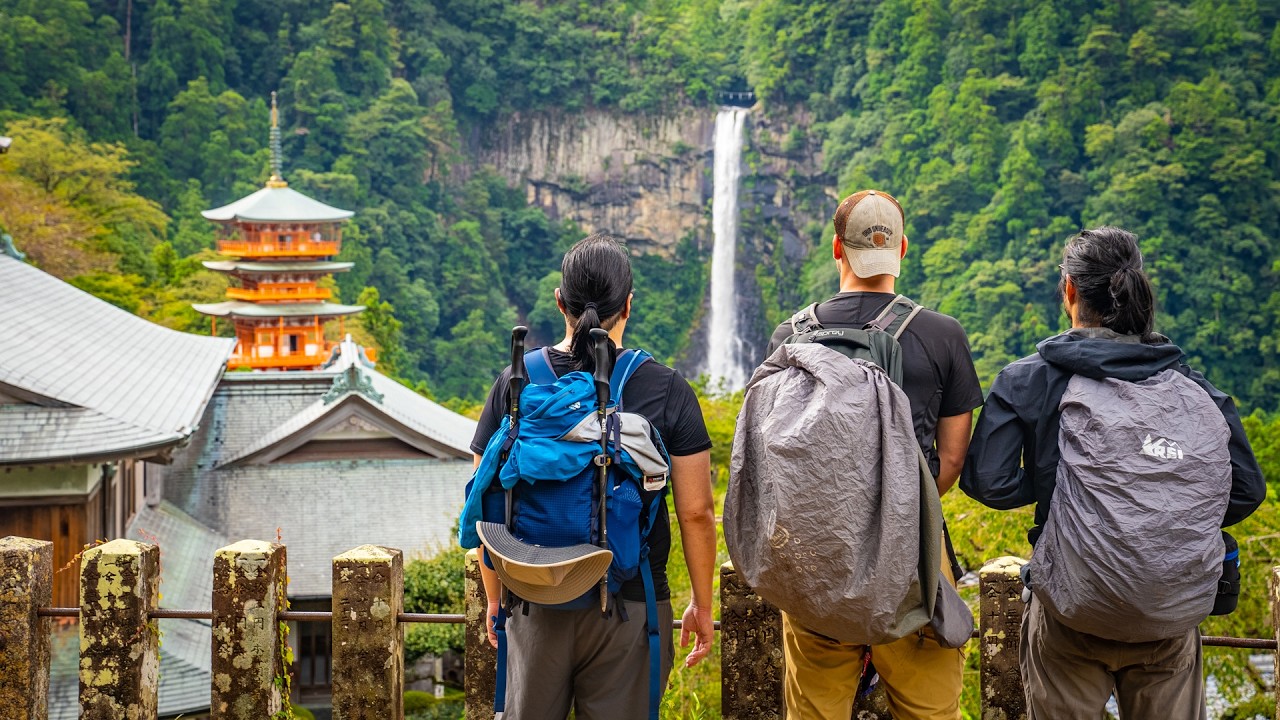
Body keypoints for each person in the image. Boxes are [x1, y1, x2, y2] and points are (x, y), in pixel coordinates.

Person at [960, 226, 1266, 718]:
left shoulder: (1028, 379)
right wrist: (1165, 515)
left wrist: (1062, 489)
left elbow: (987, 482)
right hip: (1169, 611)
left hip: (1072, 608)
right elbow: (1247, 489)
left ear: (1069, 290)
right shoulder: (1192, 388)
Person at [469, 232, 717, 720]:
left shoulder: (515, 382)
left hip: (533, 599)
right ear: (628, 305)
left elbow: (484, 499)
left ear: (559, 301)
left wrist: (495, 598)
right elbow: (696, 513)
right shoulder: (666, 388)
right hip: (630, 604)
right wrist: (702, 606)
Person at [763, 189, 984, 720]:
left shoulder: (791, 337)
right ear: (902, 249)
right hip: (914, 554)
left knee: (815, 710)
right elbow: (953, 459)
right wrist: (899, 508)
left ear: (836, 249)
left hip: (817, 555)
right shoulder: (942, 335)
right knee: (929, 710)